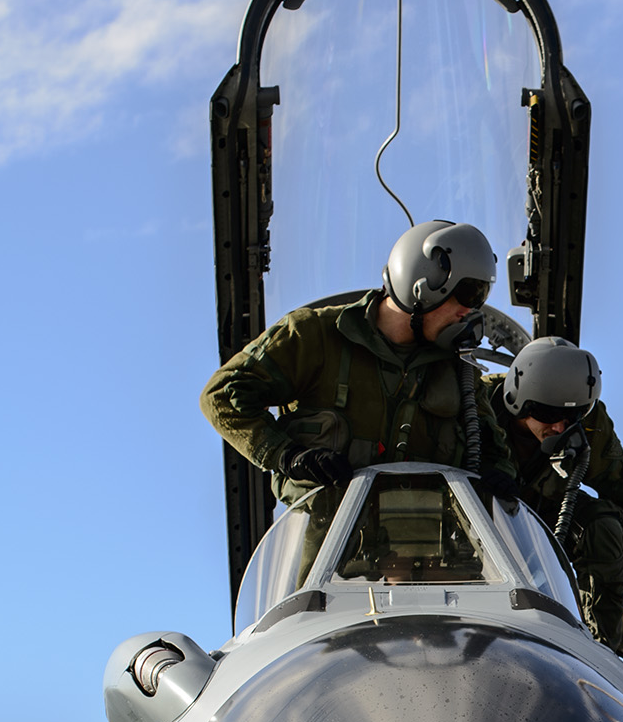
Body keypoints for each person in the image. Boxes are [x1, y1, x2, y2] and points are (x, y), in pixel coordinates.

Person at [199, 219, 518, 524]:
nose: (471, 310)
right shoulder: (314, 336)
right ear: (421, 283)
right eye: (469, 293)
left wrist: (498, 477)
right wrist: (288, 455)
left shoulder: (458, 370)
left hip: (434, 562)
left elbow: (494, 451)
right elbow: (222, 395)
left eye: (480, 296)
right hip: (327, 554)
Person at [484, 337, 623, 663]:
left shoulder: (586, 422)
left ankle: (594, 654)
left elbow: (620, 483)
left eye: (571, 418)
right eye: (548, 415)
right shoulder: (474, 402)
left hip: (543, 512)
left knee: (605, 530)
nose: (558, 427)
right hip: (476, 516)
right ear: (520, 400)